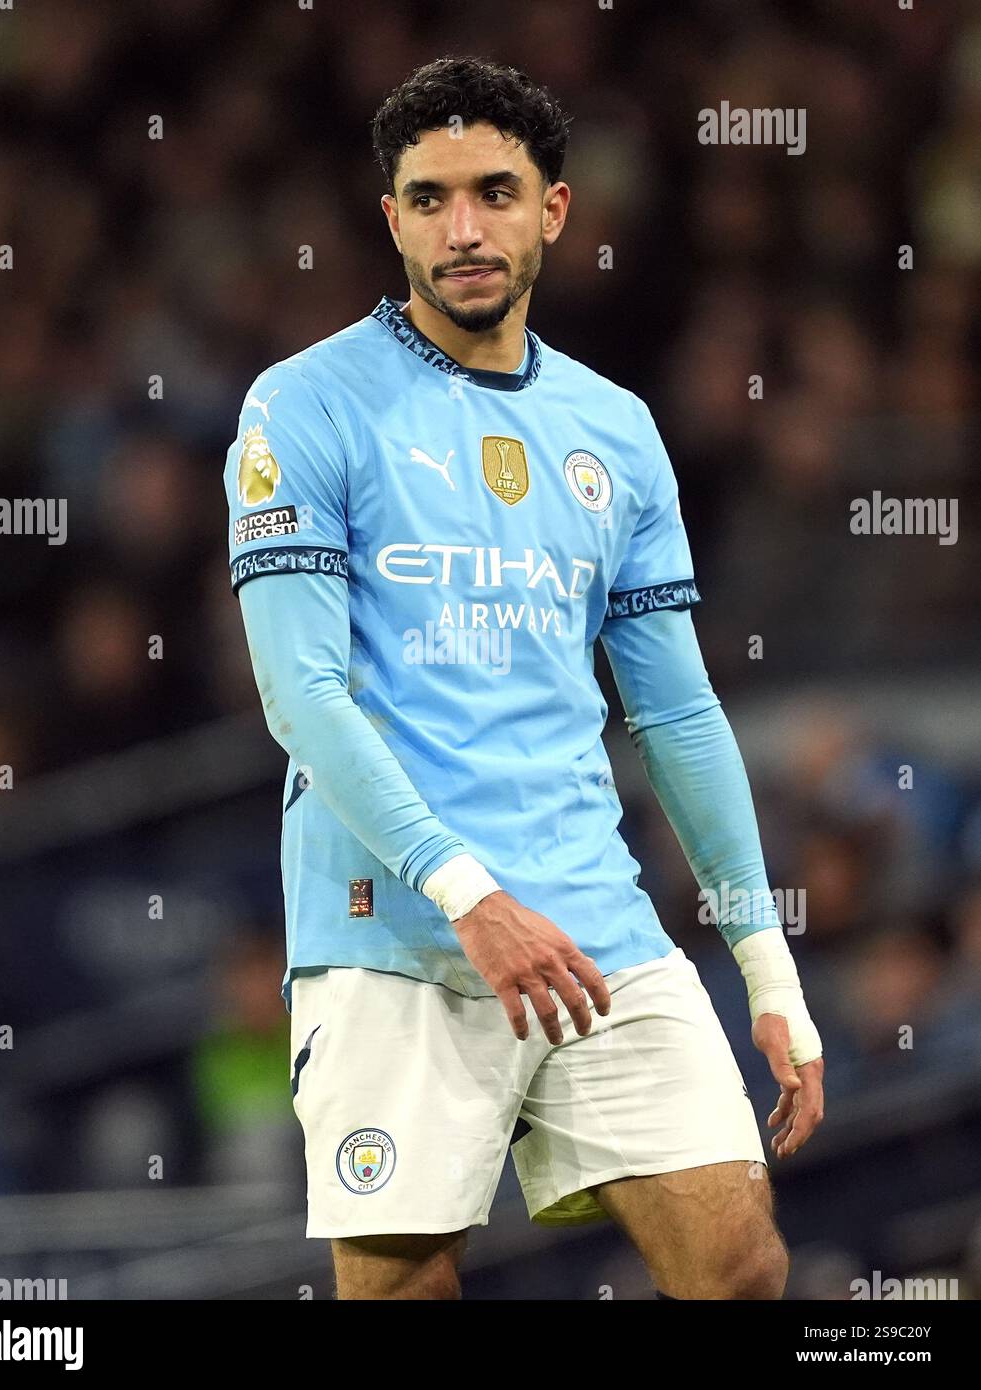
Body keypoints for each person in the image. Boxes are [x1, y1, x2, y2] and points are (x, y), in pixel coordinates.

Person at [223, 55, 823, 1300]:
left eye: (493, 191)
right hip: (389, 929)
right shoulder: (303, 407)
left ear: (552, 208)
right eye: (428, 198)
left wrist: (764, 965)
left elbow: (674, 712)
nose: (462, 227)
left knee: (739, 1265)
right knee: (402, 1290)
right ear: (389, 219)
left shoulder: (615, 428)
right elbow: (302, 696)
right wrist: (467, 896)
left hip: (594, 919)